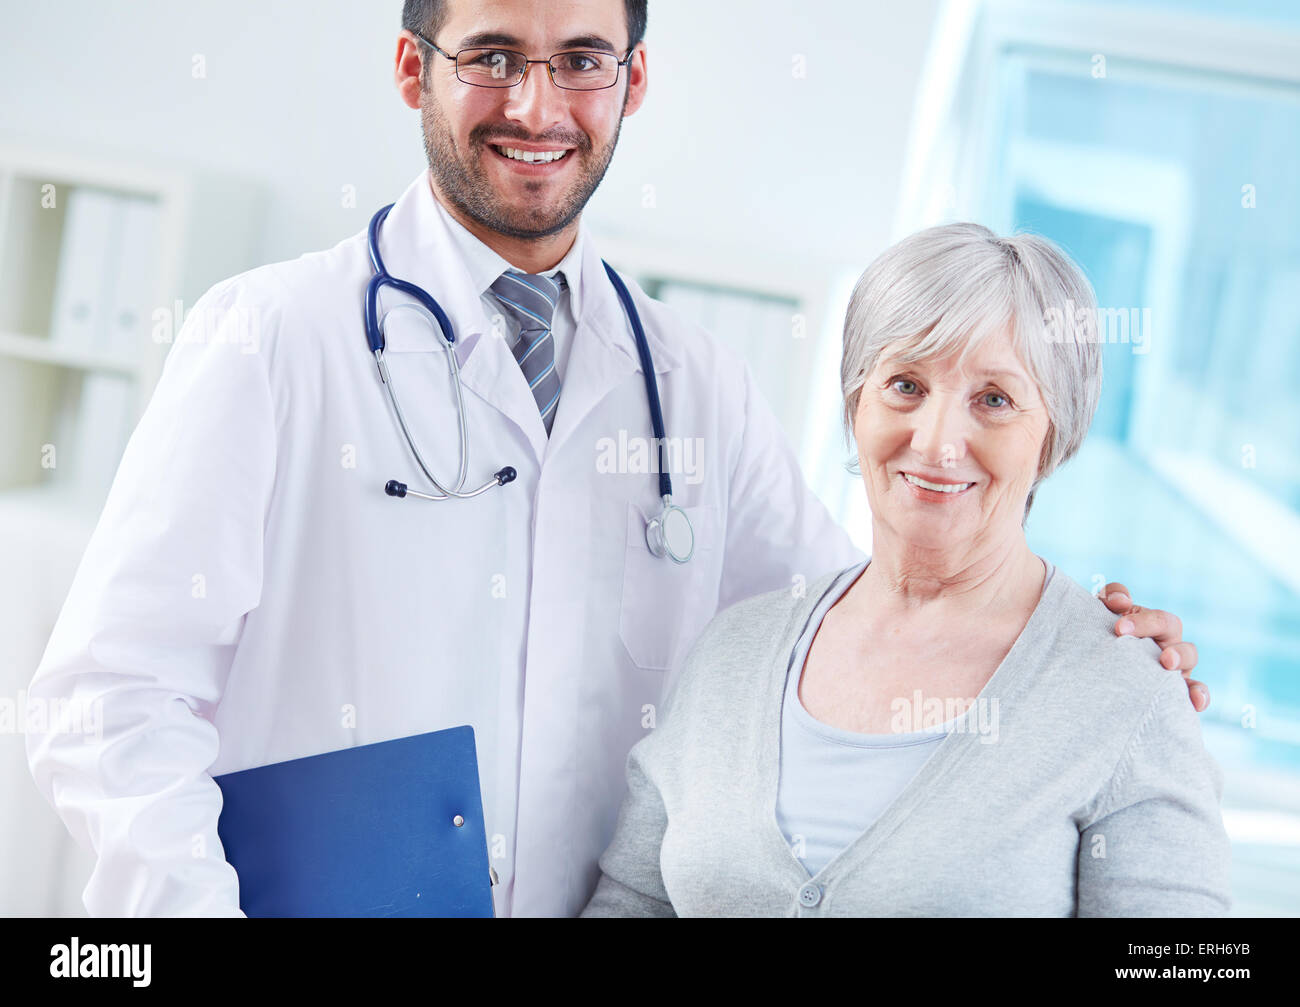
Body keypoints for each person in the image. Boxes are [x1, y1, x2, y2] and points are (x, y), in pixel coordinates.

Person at [26, 1, 1205, 919]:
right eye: (491, 53)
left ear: (631, 81)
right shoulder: (272, 337)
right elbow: (109, 699)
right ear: (411, 71)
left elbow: (858, 621)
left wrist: (1081, 645)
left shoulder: (688, 380)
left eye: (583, 58)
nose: (536, 102)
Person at [582, 224, 1231, 917]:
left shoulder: (1125, 690)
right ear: (856, 404)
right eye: (905, 384)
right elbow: (631, 901)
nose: (938, 442)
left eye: (994, 399)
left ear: (1054, 434)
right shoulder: (732, 652)